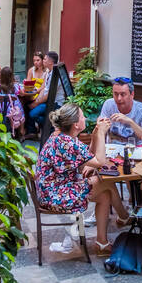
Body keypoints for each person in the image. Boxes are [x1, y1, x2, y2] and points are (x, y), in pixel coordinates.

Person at [36, 102, 131, 254]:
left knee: (105, 195)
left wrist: (94, 135)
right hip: (56, 195)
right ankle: (125, 216)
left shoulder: (62, 137)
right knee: (105, 182)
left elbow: (86, 155)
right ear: (76, 124)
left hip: (53, 189)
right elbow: (99, 161)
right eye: (82, 116)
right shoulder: (67, 143)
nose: (85, 118)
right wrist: (101, 134)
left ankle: (102, 242)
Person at [97, 77, 142, 145]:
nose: (119, 98)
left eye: (123, 94)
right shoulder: (108, 104)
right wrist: (100, 125)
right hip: (112, 150)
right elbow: (100, 129)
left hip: (134, 151)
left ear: (132, 94)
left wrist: (130, 122)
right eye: (116, 94)